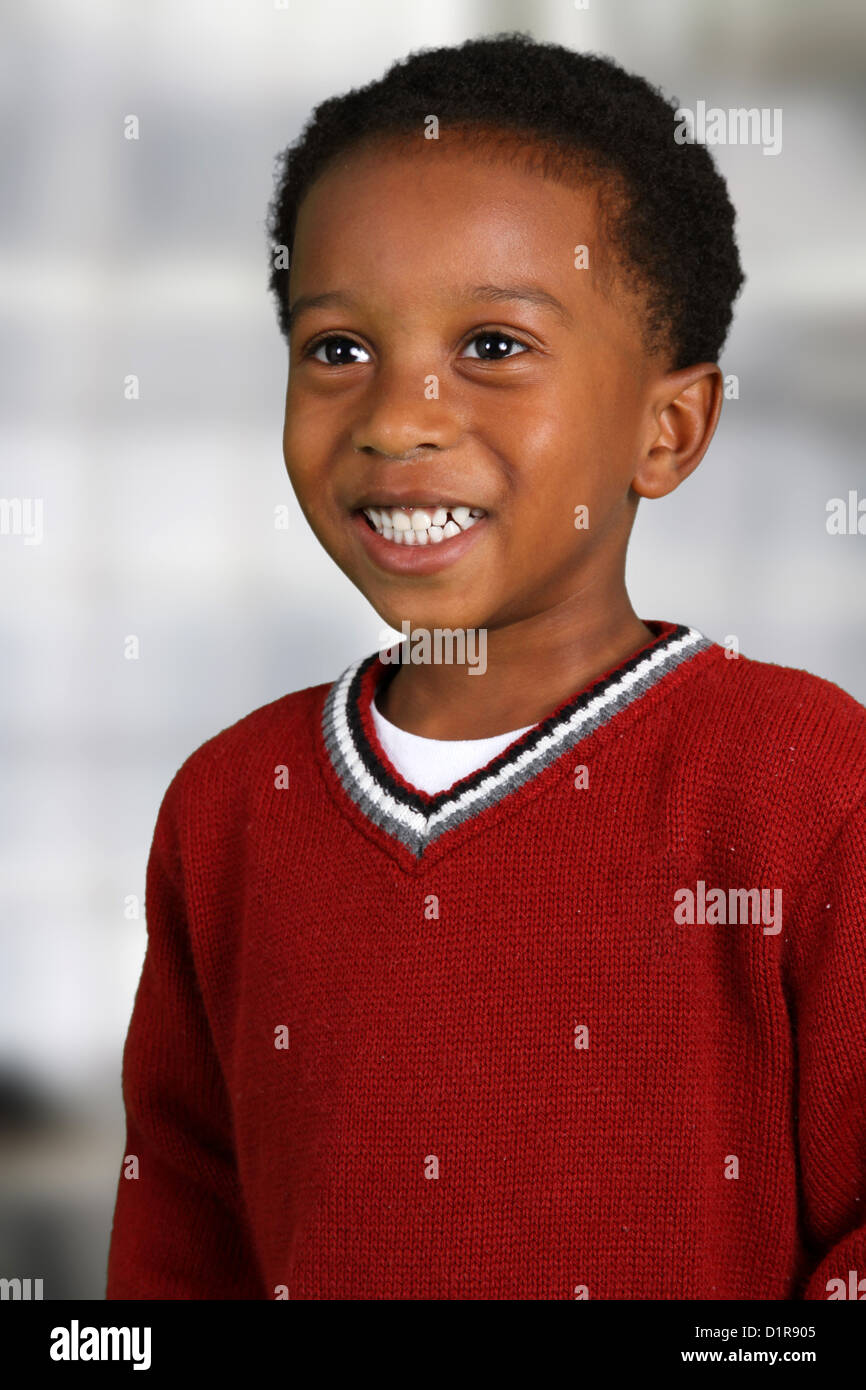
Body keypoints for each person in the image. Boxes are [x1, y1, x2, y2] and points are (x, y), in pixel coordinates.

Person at [106, 33, 866, 1300]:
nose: (399, 414)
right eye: (337, 348)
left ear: (666, 428)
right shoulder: (229, 807)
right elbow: (178, 1240)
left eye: (495, 348)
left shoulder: (803, 783)